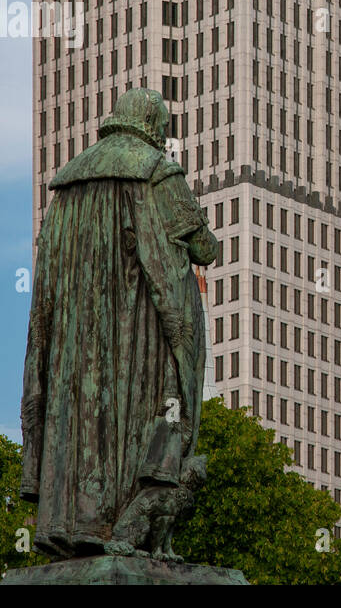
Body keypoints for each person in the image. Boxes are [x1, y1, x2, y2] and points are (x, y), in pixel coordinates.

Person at [20, 88, 218, 558]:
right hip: (137, 335)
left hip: (73, 342)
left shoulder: (66, 186)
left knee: (82, 423)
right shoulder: (155, 170)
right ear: (153, 128)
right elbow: (204, 248)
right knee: (133, 422)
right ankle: (119, 530)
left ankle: (73, 526)